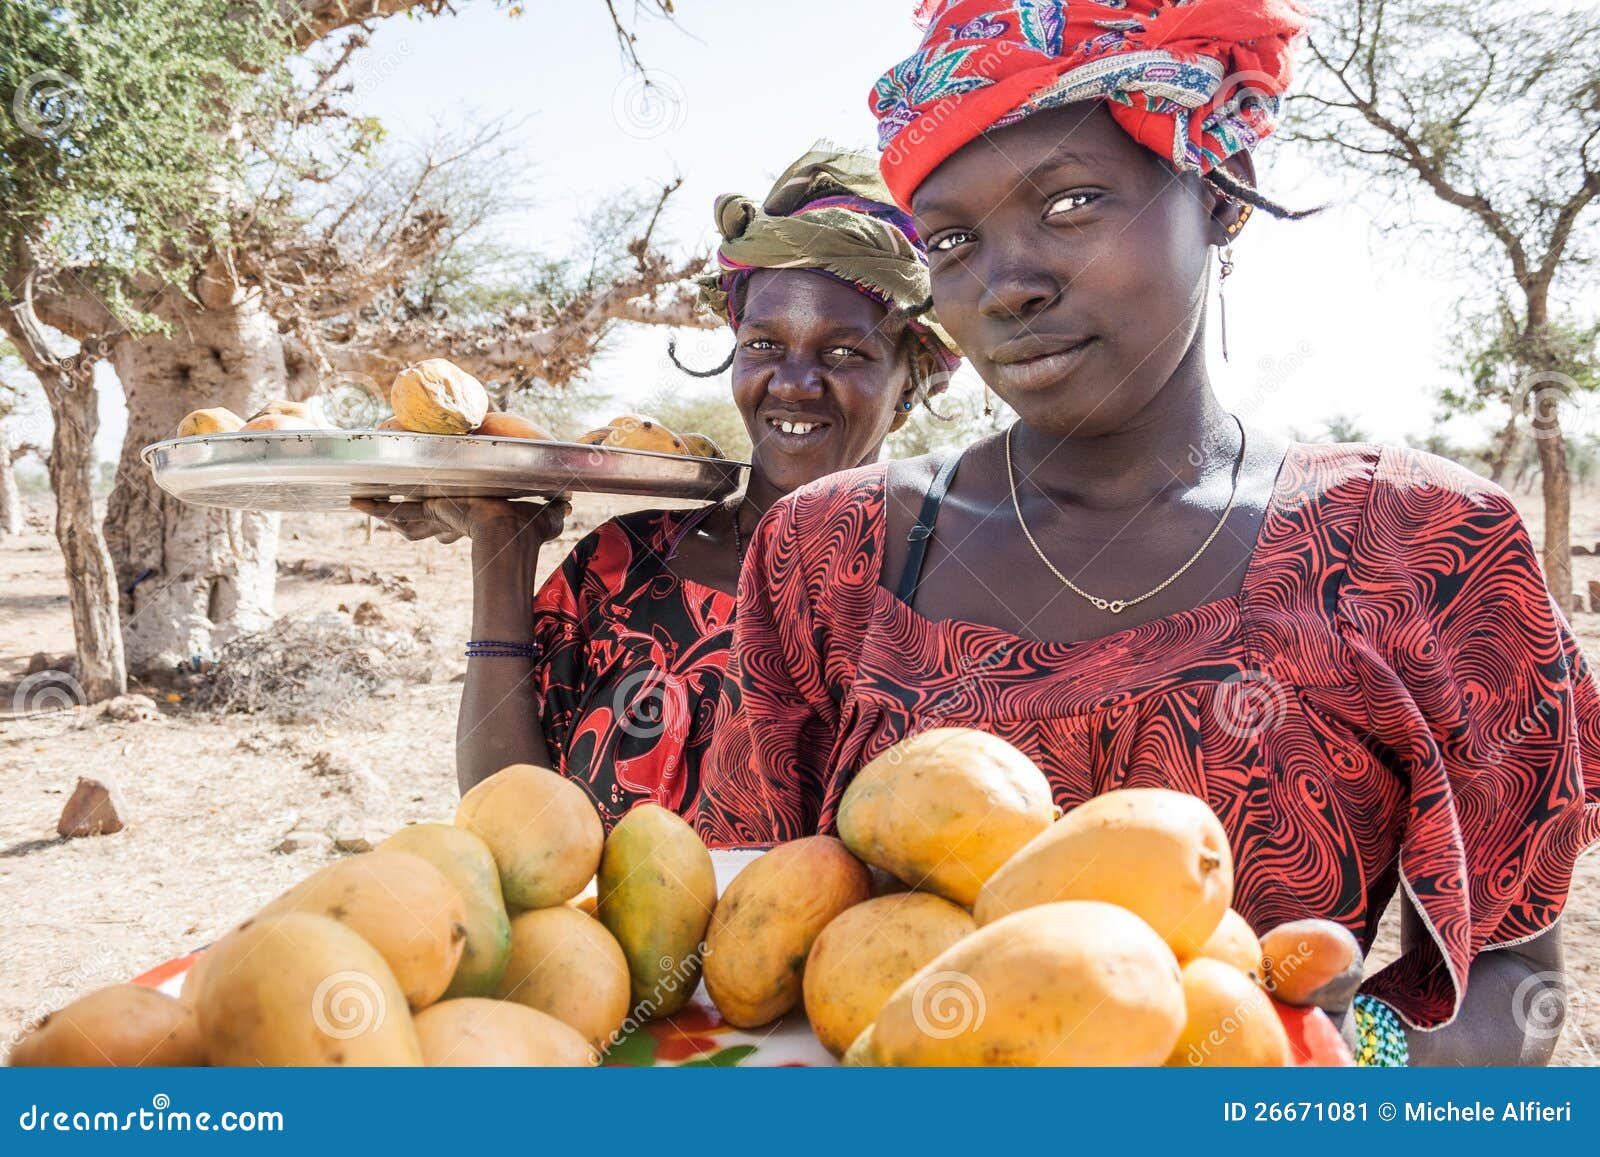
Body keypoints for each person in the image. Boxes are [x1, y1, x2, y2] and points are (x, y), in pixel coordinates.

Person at [696, 0, 1599, 1065]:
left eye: (1073, 203)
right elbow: (751, 947)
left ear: (1217, 197)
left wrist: (1336, 1062)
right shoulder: (833, 553)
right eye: (951, 239)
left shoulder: (1424, 546)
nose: (1007, 283)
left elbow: (1504, 975)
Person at [356, 146, 958, 831]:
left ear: (914, 380)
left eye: (845, 352)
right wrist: (502, 550)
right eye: (763, 344)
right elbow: (510, 828)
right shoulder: (624, 566)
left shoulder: (936, 595)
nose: (792, 382)